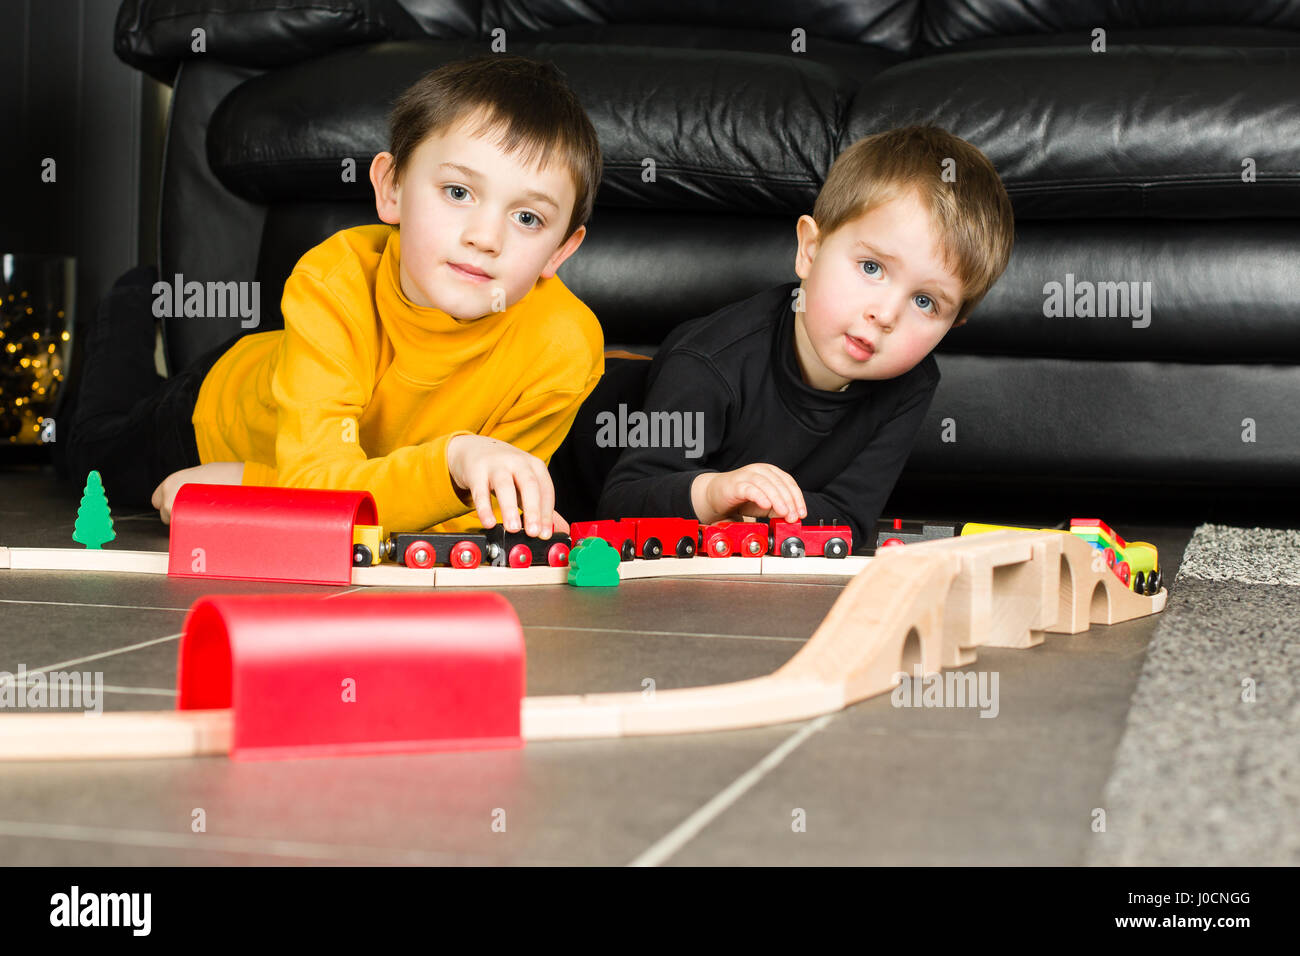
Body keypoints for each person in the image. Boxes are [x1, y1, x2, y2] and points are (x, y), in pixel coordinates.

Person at [67, 55, 604, 540]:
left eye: (528, 218)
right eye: (458, 192)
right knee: (90, 448)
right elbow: (337, 490)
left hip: (306, 462)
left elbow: (470, 514)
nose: (485, 238)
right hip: (219, 416)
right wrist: (451, 461)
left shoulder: (566, 346)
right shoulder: (334, 280)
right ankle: (129, 304)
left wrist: (257, 488)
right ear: (391, 188)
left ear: (560, 250)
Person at [586, 126, 1015, 550]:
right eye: (871, 268)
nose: (884, 315)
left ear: (951, 325)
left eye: (925, 302)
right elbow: (621, 501)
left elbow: (850, 518)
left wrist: (763, 511)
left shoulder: (911, 383)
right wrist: (715, 493)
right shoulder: (709, 360)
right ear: (809, 250)